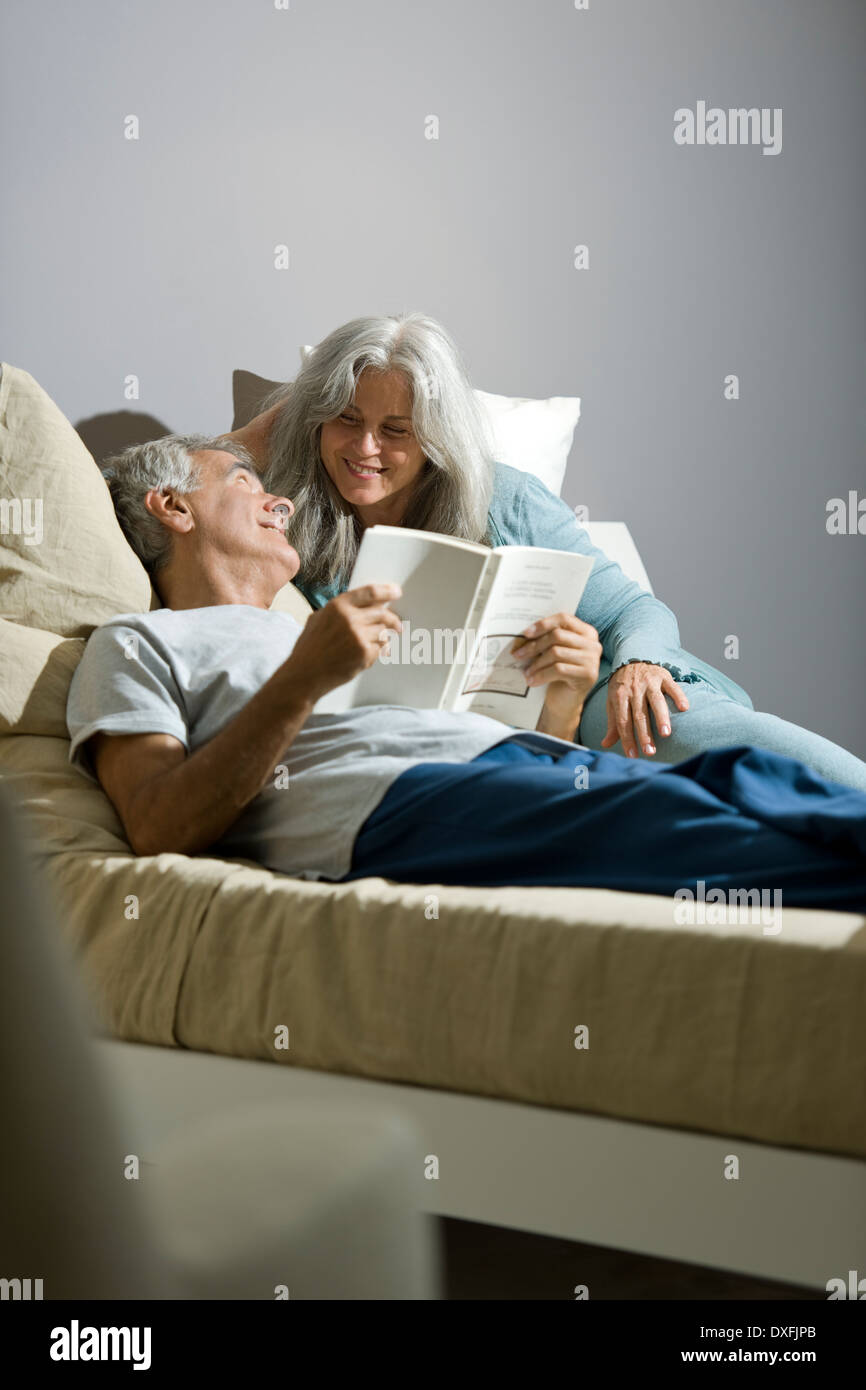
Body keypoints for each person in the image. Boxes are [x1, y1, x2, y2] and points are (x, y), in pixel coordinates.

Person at [65, 435, 866, 912]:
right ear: (172, 508)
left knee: (748, 776)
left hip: (525, 763)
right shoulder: (137, 643)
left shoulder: (314, 623)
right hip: (403, 799)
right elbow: (158, 824)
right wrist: (303, 680)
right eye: (244, 483)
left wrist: (566, 694)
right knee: (703, 838)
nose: (277, 501)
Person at [228, 312, 866, 793]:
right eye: (345, 419)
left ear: (434, 440)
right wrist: (254, 436)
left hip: (602, 707)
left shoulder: (503, 497)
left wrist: (637, 666)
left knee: (716, 757)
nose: (365, 447)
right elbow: (152, 483)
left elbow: (635, 610)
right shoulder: (288, 523)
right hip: (468, 751)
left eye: (396, 430)